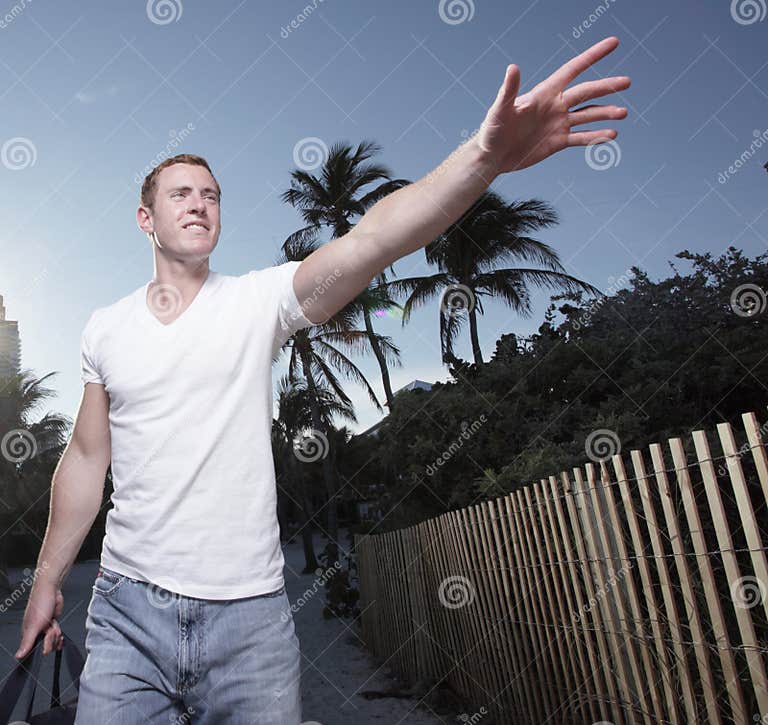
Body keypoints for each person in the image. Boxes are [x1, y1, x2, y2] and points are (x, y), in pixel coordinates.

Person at [14, 36, 630, 723]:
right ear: (145, 218)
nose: (199, 203)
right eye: (180, 193)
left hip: (250, 623)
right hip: (128, 613)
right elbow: (88, 457)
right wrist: (45, 580)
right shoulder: (106, 327)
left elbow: (374, 238)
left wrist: (483, 157)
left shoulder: (259, 300)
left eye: (212, 195)